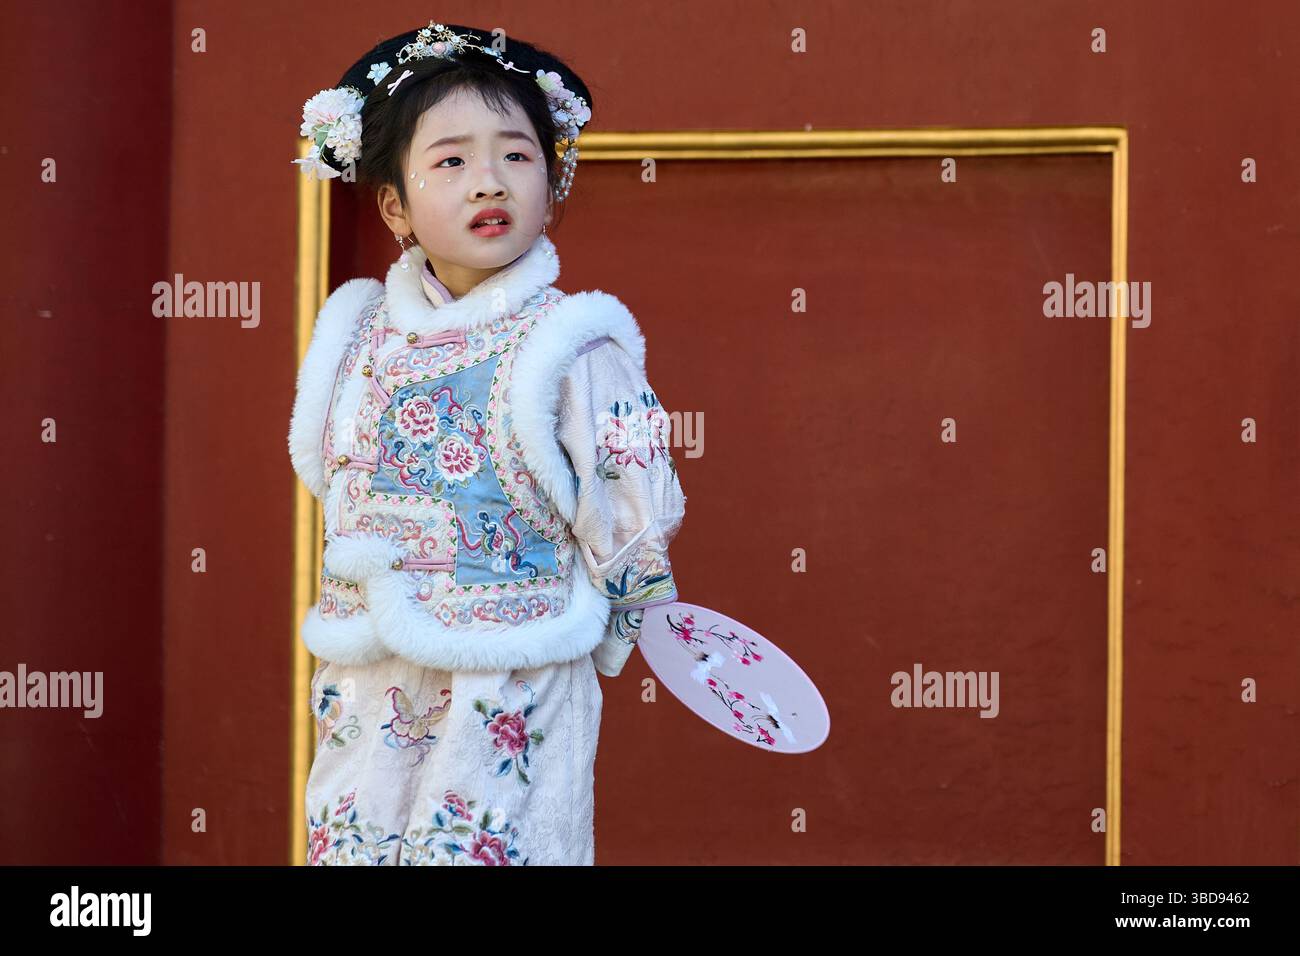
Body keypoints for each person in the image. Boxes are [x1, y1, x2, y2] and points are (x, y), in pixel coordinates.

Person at [287, 21, 686, 865]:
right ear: (394, 203)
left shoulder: (575, 344)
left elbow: (634, 502)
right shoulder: (356, 335)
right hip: (371, 679)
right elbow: (333, 473)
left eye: (516, 155)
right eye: (451, 161)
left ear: (552, 179)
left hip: (515, 674)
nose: (488, 182)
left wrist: (619, 617)